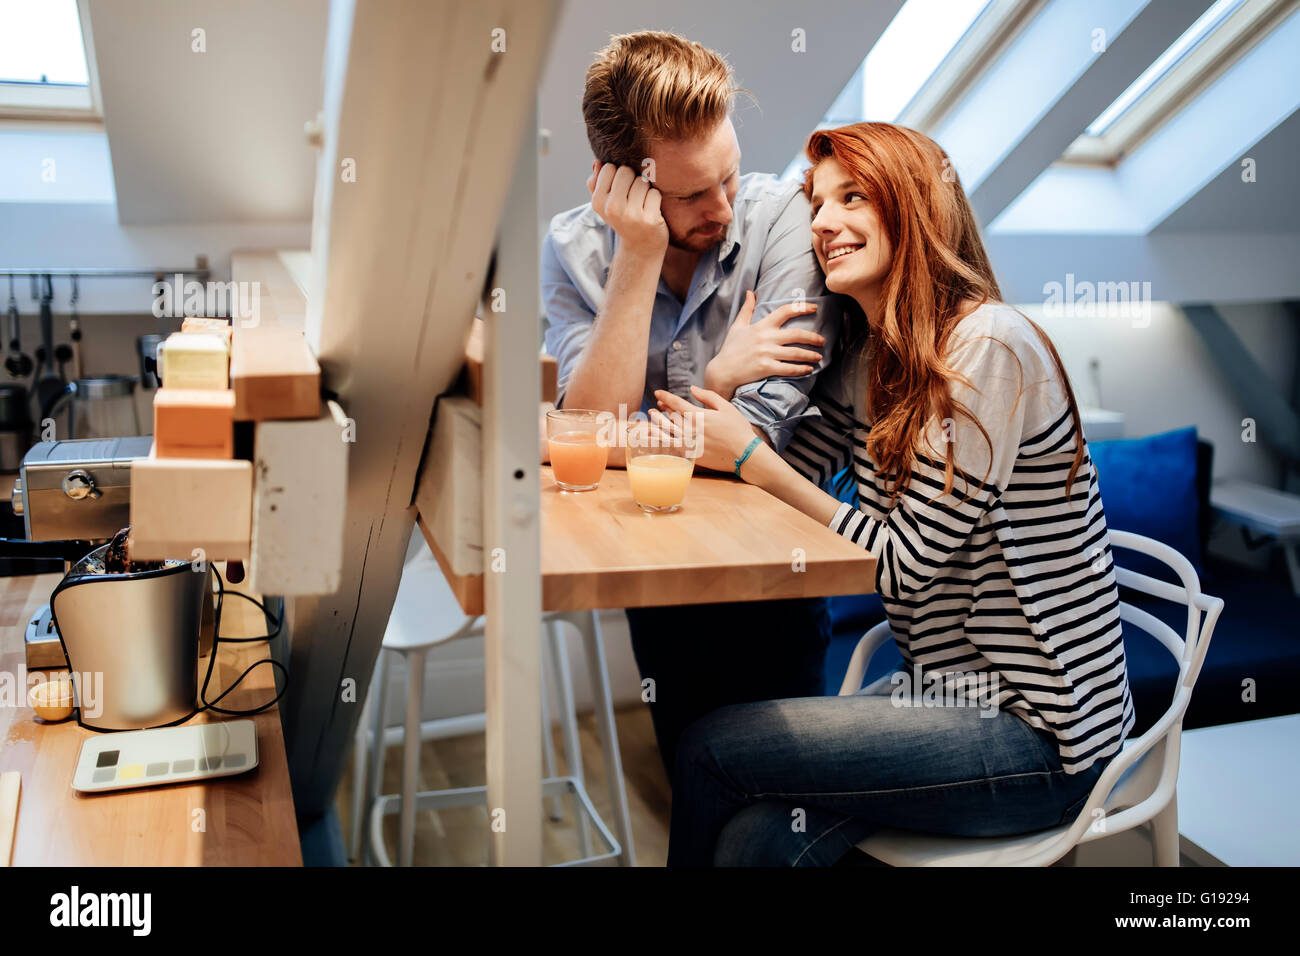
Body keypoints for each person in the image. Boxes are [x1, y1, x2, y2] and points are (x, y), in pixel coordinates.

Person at [651, 122, 1135, 867]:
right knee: (756, 840)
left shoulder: (990, 346)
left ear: (913, 206)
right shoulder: (865, 362)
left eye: (853, 196)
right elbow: (786, 487)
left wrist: (751, 455)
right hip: (941, 693)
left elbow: (903, 565)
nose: (821, 221)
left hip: (1043, 732)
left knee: (712, 748)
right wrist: (722, 386)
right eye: (816, 201)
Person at [541, 31, 846, 776]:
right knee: (692, 783)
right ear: (627, 186)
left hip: (774, 568)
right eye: (689, 195)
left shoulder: (783, 217)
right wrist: (643, 258)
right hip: (654, 565)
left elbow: (756, 441)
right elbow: (584, 433)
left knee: (785, 806)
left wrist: (648, 423)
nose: (721, 206)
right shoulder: (574, 247)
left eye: (728, 176)